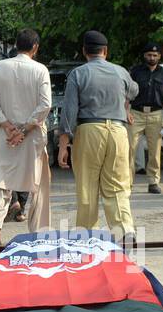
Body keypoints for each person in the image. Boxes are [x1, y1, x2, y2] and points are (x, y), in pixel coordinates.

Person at [58, 30, 138, 242]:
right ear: (105, 51)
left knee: (87, 186)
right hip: (118, 131)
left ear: (85, 51)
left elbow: (69, 111)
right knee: (117, 185)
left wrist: (63, 144)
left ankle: (87, 238)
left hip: (89, 130)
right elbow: (134, 91)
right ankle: (124, 230)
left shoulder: (78, 74)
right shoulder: (120, 72)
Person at [0, 28, 53, 254]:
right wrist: (23, 128)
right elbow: (45, 105)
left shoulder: (0, 67)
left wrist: (7, 125)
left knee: (0, 182)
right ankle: (38, 234)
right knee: (38, 183)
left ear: (15, 45)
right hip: (31, 136)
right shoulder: (40, 70)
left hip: (3, 135)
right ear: (35, 48)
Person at [127, 42, 163, 194]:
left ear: (159, 56)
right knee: (130, 149)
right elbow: (127, 94)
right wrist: (125, 111)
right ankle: (127, 182)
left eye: (155, 55)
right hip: (136, 113)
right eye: (149, 55)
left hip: (156, 114)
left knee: (155, 151)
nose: (152, 57)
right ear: (144, 56)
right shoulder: (135, 72)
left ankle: (153, 182)